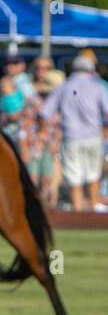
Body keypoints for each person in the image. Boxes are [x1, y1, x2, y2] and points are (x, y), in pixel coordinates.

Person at [40, 53, 108, 212]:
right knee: (93, 177)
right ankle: (92, 215)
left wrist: (44, 134)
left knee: (74, 179)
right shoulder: (98, 86)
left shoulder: (63, 87)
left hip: (71, 137)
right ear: (90, 69)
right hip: (93, 137)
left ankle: (78, 217)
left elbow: (44, 114)